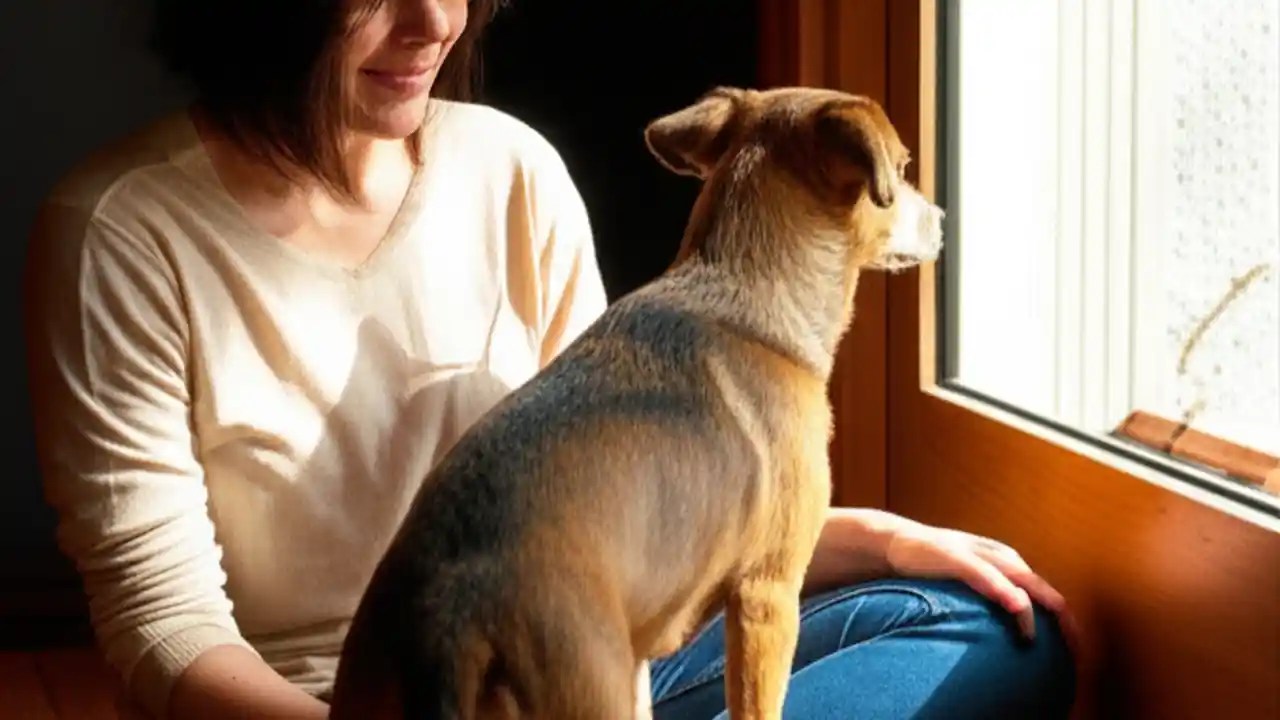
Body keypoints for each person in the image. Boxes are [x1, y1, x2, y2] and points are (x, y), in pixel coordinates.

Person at [21, 1, 1078, 718]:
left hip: (608, 654)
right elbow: (162, 626)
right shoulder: (124, 231)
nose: (435, 20)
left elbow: (633, 493)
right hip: (355, 697)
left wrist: (876, 540)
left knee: (981, 627)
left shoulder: (507, 166)